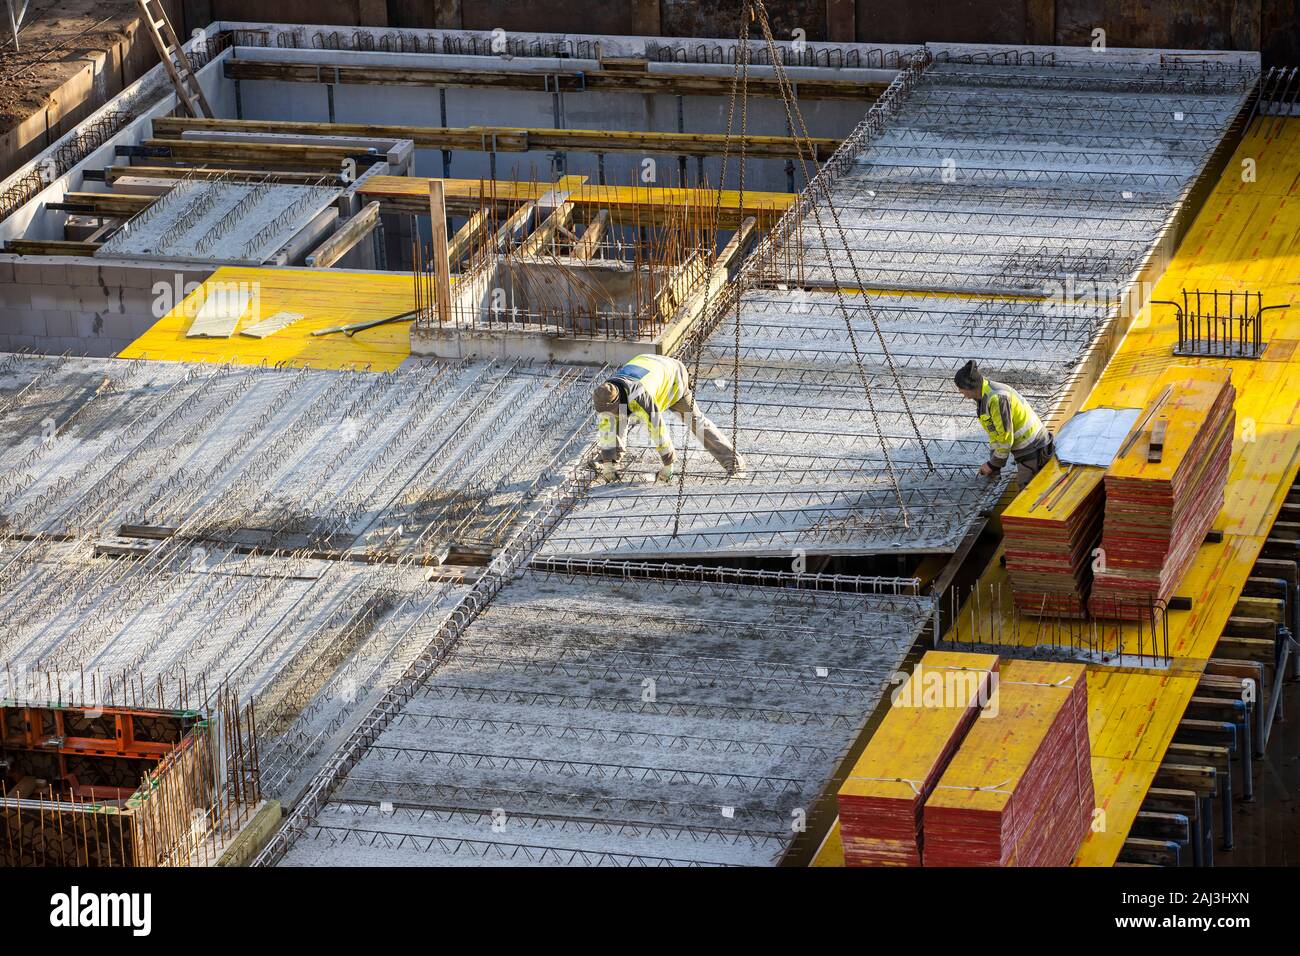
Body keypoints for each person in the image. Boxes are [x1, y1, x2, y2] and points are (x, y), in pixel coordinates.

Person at [592, 353, 745, 481]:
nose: (609, 413)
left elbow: (657, 430)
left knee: (696, 422)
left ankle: (735, 464)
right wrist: (607, 463)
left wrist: (668, 465)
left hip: (674, 379)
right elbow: (607, 428)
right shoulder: (607, 392)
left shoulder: (639, 397)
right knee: (615, 421)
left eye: (612, 409)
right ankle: (612, 461)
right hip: (652, 367)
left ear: (618, 400)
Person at [954, 359, 1053, 485]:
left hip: (1033, 446)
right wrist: (994, 464)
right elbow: (995, 434)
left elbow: (1005, 437)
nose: (959, 391)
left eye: (960, 388)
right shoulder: (983, 397)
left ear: (971, 387)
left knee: (1026, 491)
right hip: (1026, 446)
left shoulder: (996, 398)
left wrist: (993, 464)